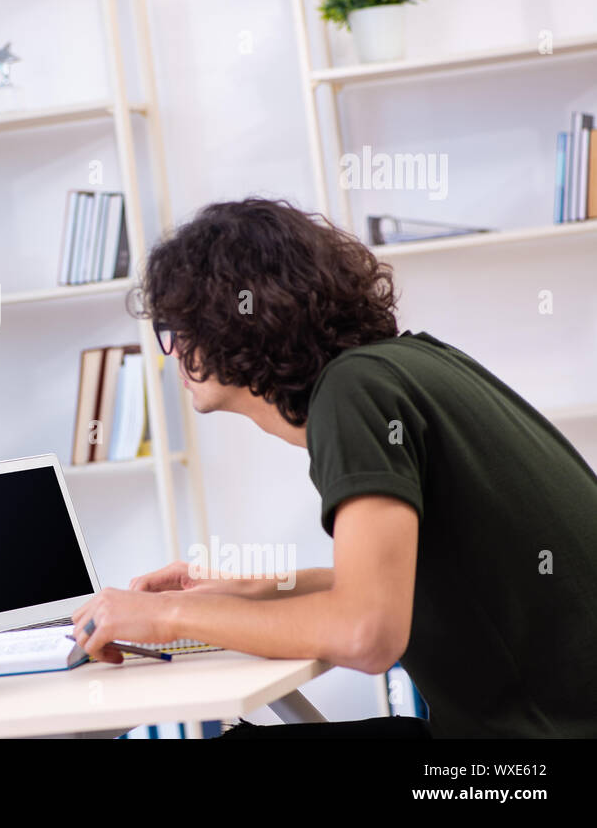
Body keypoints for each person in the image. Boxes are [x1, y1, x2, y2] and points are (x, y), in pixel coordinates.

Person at [71, 197, 597, 737]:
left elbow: (366, 632)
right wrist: (251, 590)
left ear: (229, 323)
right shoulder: (409, 364)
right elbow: (419, 577)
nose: (172, 353)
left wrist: (162, 618)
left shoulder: (354, 395)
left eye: (177, 330)